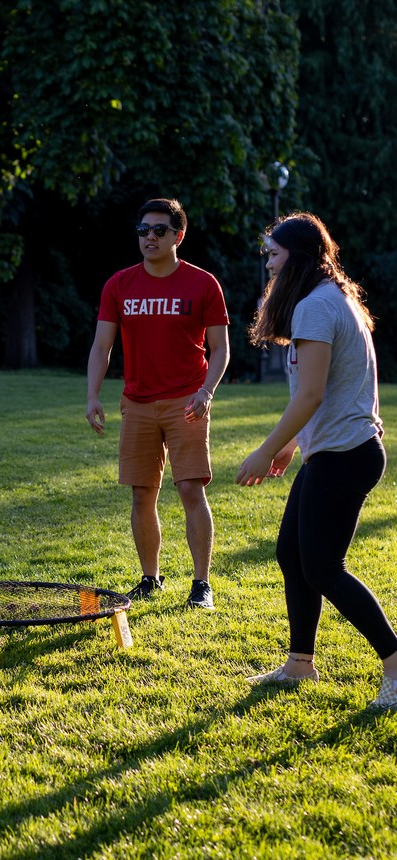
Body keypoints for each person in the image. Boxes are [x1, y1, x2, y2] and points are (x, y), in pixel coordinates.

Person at [236, 212, 397, 709]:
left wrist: (266, 449)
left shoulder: (315, 306)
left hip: (344, 455)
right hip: (337, 451)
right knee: (293, 555)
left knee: (324, 567)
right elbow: (326, 392)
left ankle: (395, 664)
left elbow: (309, 395)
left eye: (274, 254)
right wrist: (290, 446)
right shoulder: (332, 298)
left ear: (298, 258)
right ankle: (300, 664)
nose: (267, 263)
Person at [86, 198, 230, 610]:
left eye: (159, 230)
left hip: (187, 399)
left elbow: (220, 349)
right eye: (143, 230)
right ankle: (151, 578)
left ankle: (201, 584)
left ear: (177, 236)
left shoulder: (203, 283)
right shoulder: (119, 285)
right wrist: (93, 394)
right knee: (141, 493)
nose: (149, 237)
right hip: (137, 402)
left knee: (189, 489)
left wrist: (207, 390)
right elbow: (102, 344)